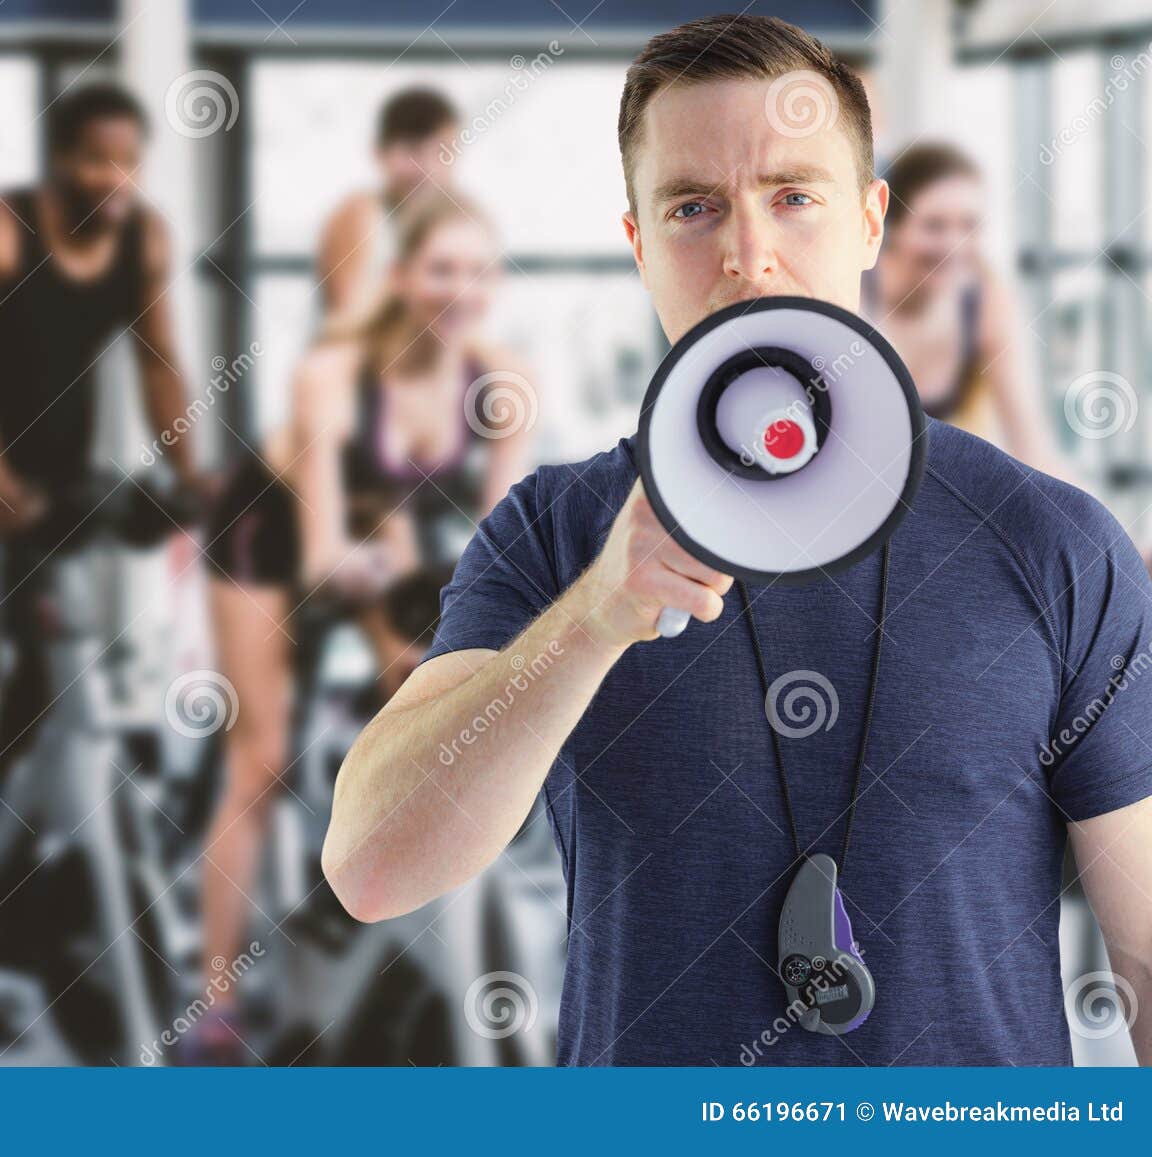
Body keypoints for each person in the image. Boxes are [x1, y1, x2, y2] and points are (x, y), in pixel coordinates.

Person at [323, 15, 1152, 1067]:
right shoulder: (555, 534)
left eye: (793, 197)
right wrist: (590, 621)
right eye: (691, 206)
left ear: (868, 223)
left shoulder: (1050, 542)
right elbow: (371, 866)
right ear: (638, 244)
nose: (746, 253)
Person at [194, 191, 536, 1062]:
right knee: (261, 758)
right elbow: (321, 553)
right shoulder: (335, 374)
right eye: (438, 270)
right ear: (399, 278)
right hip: (269, 532)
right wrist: (396, 629)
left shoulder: (505, 384)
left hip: (382, 537)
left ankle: (369, 904)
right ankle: (216, 1000)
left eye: (475, 271)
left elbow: (496, 549)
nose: (458, 290)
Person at [0, 82, 199, 955]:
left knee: (47, 672)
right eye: (95, 158)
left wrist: (193, 477)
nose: (113, 177)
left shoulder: (141, 237)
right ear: (60, 159)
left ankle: (7, 845)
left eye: (128, 160)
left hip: (59, 483)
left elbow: (159, 362)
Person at [861, 141, 1074, 480]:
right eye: (934, 225)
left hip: (939, 494)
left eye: (969, 226)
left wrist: (1100, 531)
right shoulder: (853, 291)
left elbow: (1031, 444)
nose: (954, 246)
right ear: (893, 226)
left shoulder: (986, 300)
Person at [316, 87, 462, 325]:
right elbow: (347, 320)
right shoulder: (361, 213)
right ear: (379, 153)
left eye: (442, 151)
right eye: (413, 150)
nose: (427, 167)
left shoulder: (450, 222)